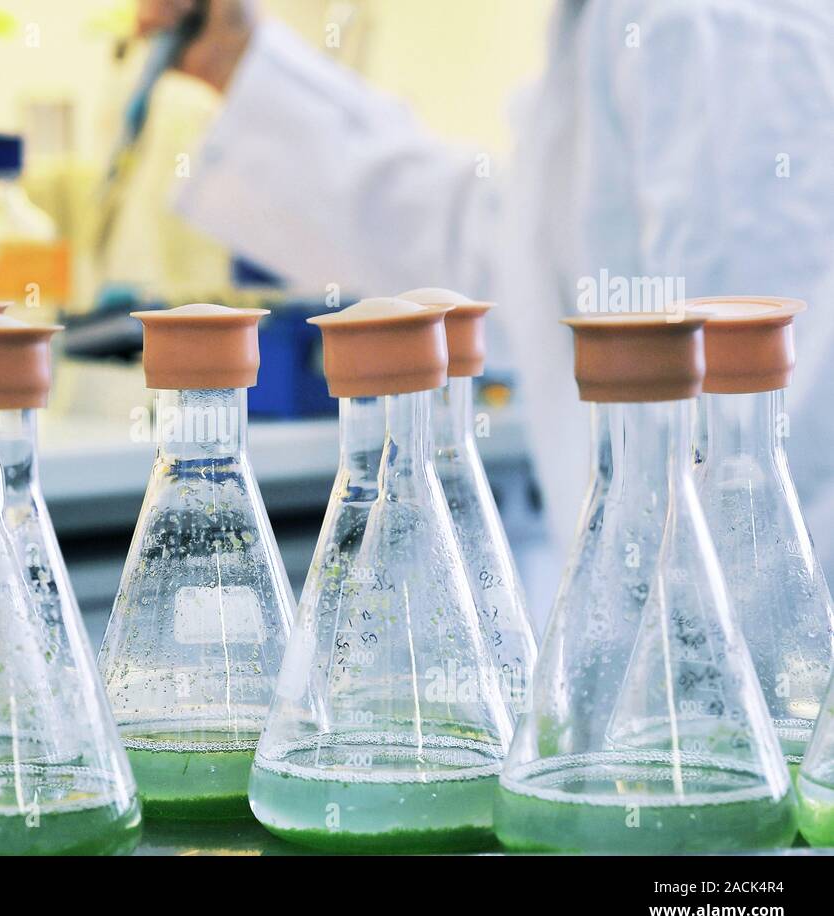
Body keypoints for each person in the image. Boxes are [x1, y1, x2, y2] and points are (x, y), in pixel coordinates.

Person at [138, 0, 834, 569]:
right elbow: (515, 256)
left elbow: (760, 459)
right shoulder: (619, 29)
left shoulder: (728, 24)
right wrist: (242, 66)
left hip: (740, 699)